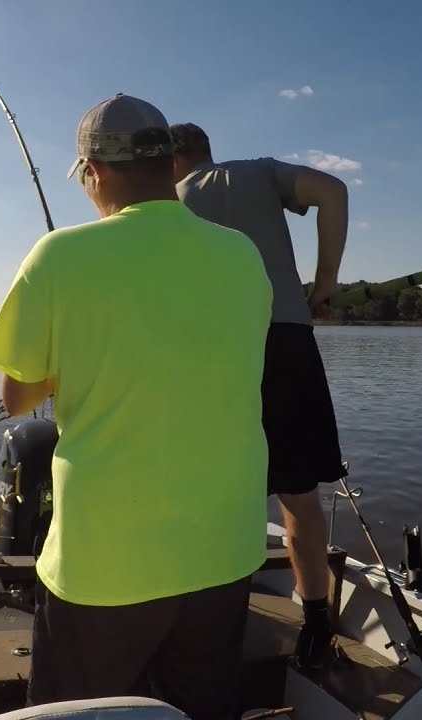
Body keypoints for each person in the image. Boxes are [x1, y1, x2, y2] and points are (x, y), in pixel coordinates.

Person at [0, 94, 274, 719]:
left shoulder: (59, 254)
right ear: (170, 164)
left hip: (106, 557)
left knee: (77, 711)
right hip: (225, 545)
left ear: (95, 172)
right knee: (202, 707)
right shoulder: (243, 255)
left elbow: (16, 398)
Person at [168, 121, 351, 671]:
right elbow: (333, 191)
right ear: (207, 152)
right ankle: (316, 622)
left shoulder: (166, 201)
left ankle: (206, 615)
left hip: (213, 353)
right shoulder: (259, 174)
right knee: (299, 496)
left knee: (212, 492)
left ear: (172, 160)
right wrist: (325, 282)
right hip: (288, 342)